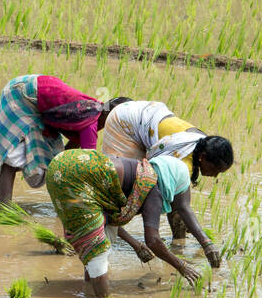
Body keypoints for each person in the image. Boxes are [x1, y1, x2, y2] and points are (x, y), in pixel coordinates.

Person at [45, 149, 214, 298]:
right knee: (97, 249)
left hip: (62, 164)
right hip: (74, 175)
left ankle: (89, 293)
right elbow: (153, 241)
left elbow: (111, 220)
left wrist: (135, 245)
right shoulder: (153, 189)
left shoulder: (140, 173)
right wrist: (182, 266)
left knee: (94, 238)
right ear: (172, 182)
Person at [99, 100, 234, 239]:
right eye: (215, 169)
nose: (215, 175)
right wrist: (180, 242)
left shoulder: (204, 143)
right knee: (119, 187)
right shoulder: (182, 161)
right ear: (203, 157)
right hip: (124, 122)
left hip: (142, 113)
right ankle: (93, 234)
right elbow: (178, 206)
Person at [0, 74, 129, 200]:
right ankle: (4, 210)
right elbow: (88, 165)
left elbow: (64, 157)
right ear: (111, 117)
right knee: (14, 158)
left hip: (38, 91)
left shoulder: (92, 112)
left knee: (51, 155)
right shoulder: (90, 124)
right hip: (22, 94)